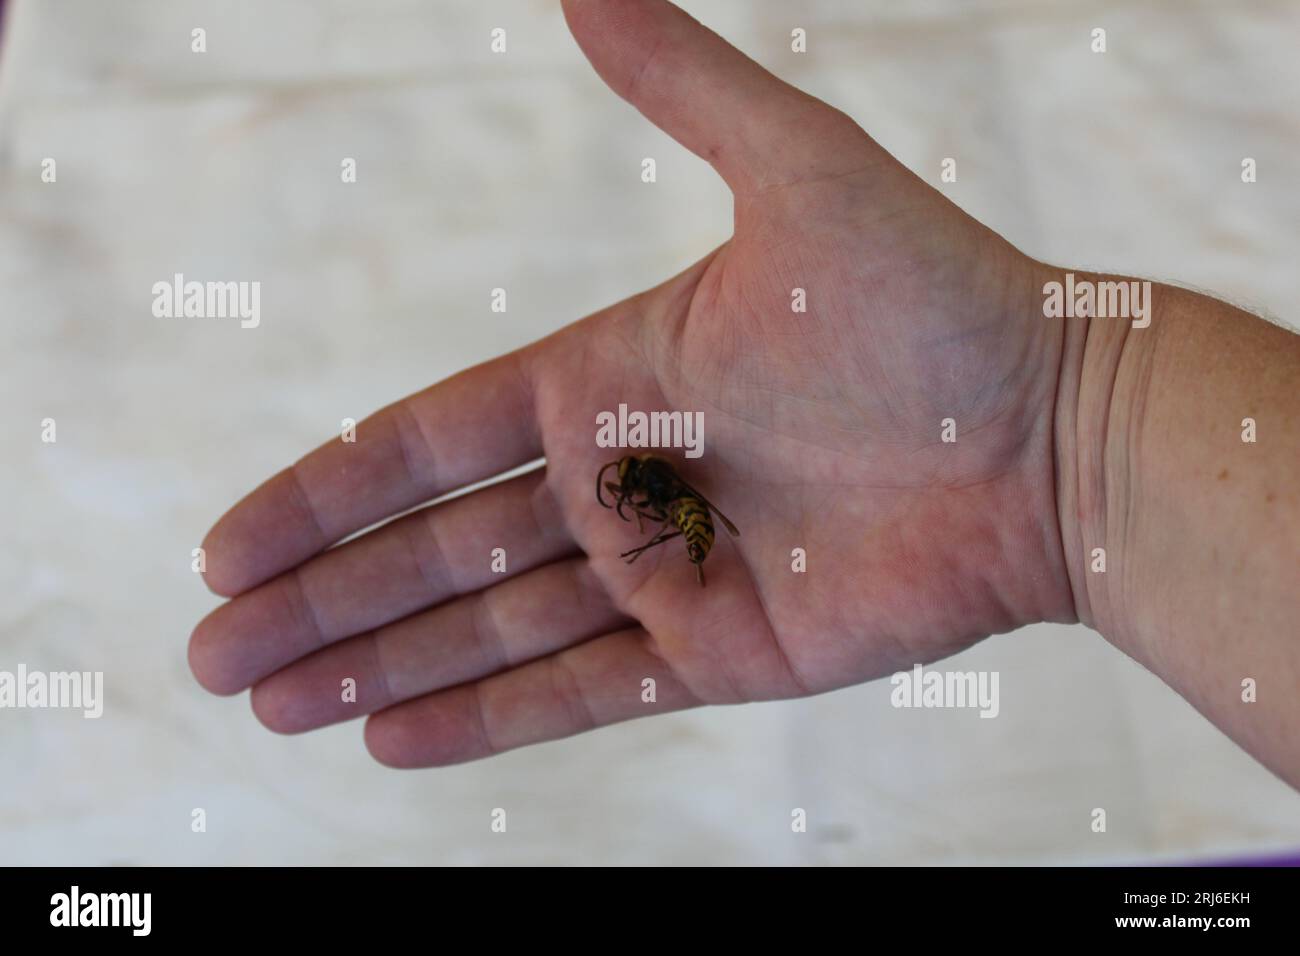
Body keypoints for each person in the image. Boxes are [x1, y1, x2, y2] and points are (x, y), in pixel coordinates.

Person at [188, 0, 1300, 787]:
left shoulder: (683, 504)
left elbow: (674, 506)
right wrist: (1066, 427)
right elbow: (666, 503)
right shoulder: (670, 500)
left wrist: (1060, 416)